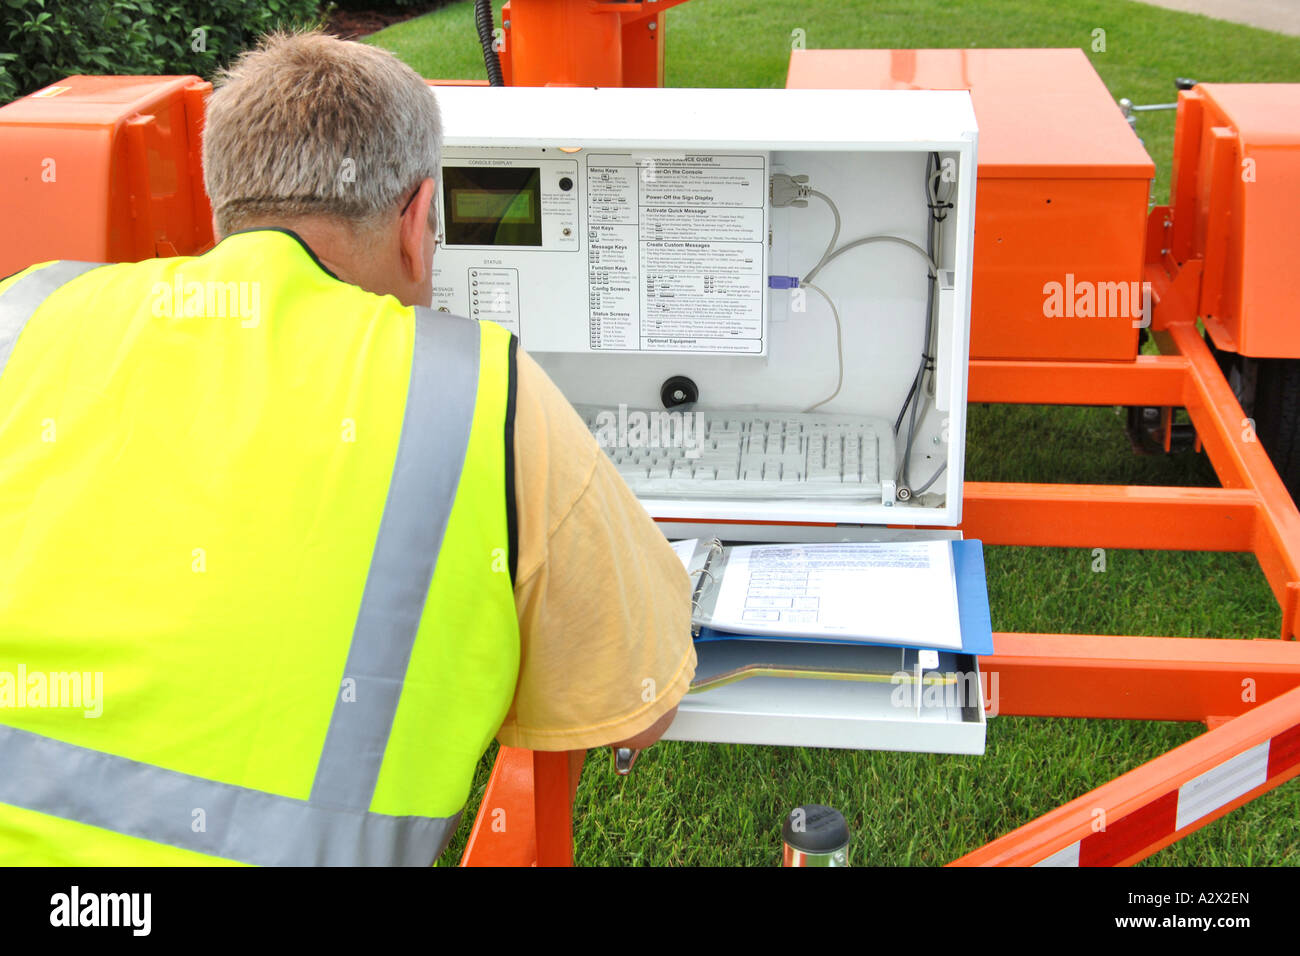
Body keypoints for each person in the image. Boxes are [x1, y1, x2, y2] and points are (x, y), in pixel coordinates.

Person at [0, 30, 695, 866]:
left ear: (221, 202)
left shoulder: (25, 316)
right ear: (416, 221)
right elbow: (638, 701)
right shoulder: (477, 390)